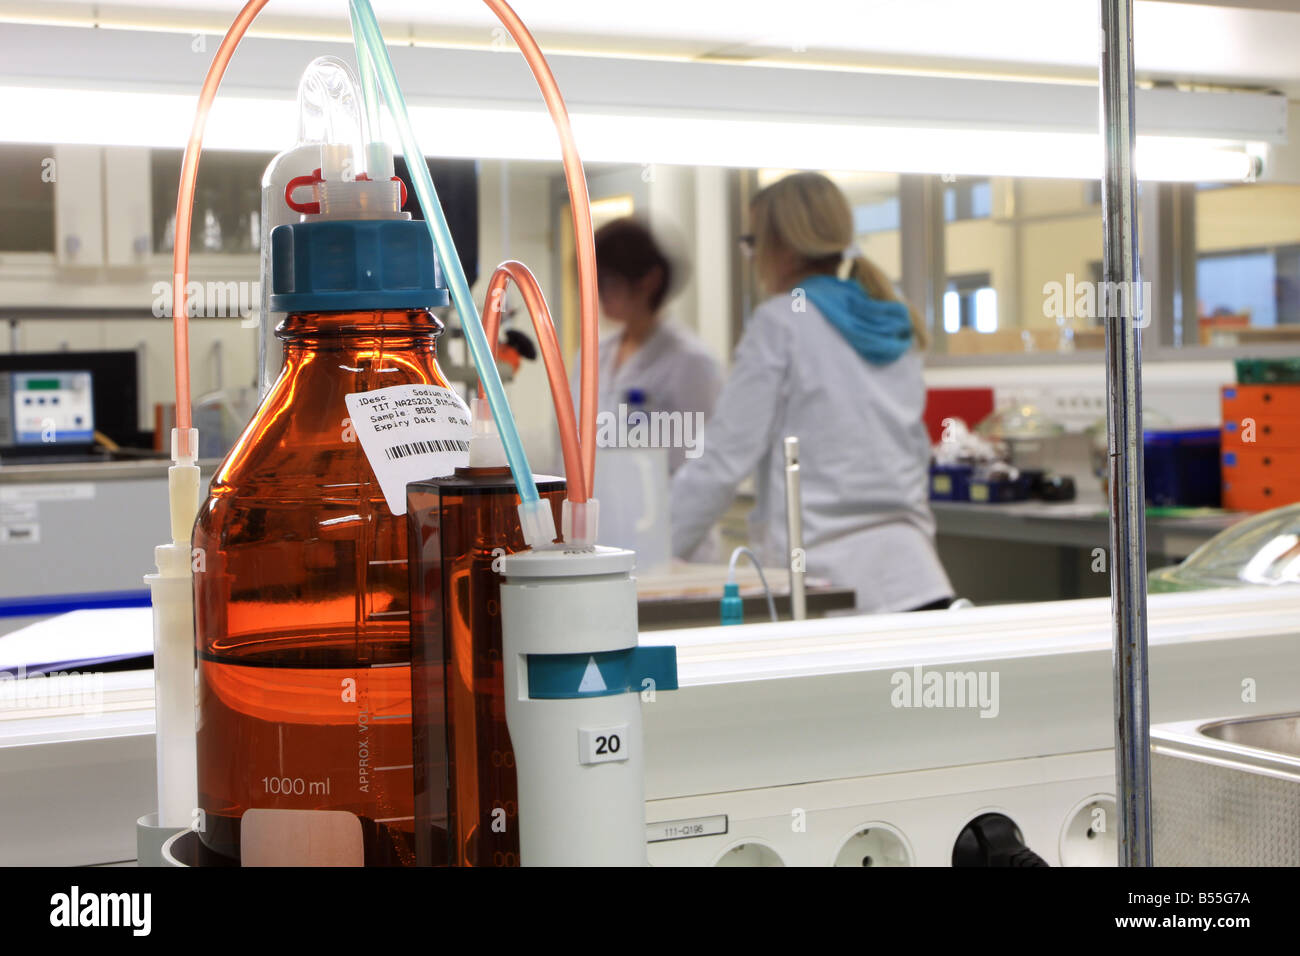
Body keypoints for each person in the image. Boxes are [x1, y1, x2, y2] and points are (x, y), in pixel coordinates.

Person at [671, 172, 953, 613]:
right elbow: (913, 454)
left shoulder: (779, 323)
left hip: (828, 588)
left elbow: (724, 459)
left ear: (779, 246)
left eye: (753, 243)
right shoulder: (894, 321)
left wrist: (644, 556)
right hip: (917, 582)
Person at [586, 216, 722, 474]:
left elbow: (705, 466)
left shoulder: (691, 362)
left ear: (650, 281)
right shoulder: (593, 356)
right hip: (598, 509)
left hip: (664, 511)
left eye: (608, 281)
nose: (599, 293)